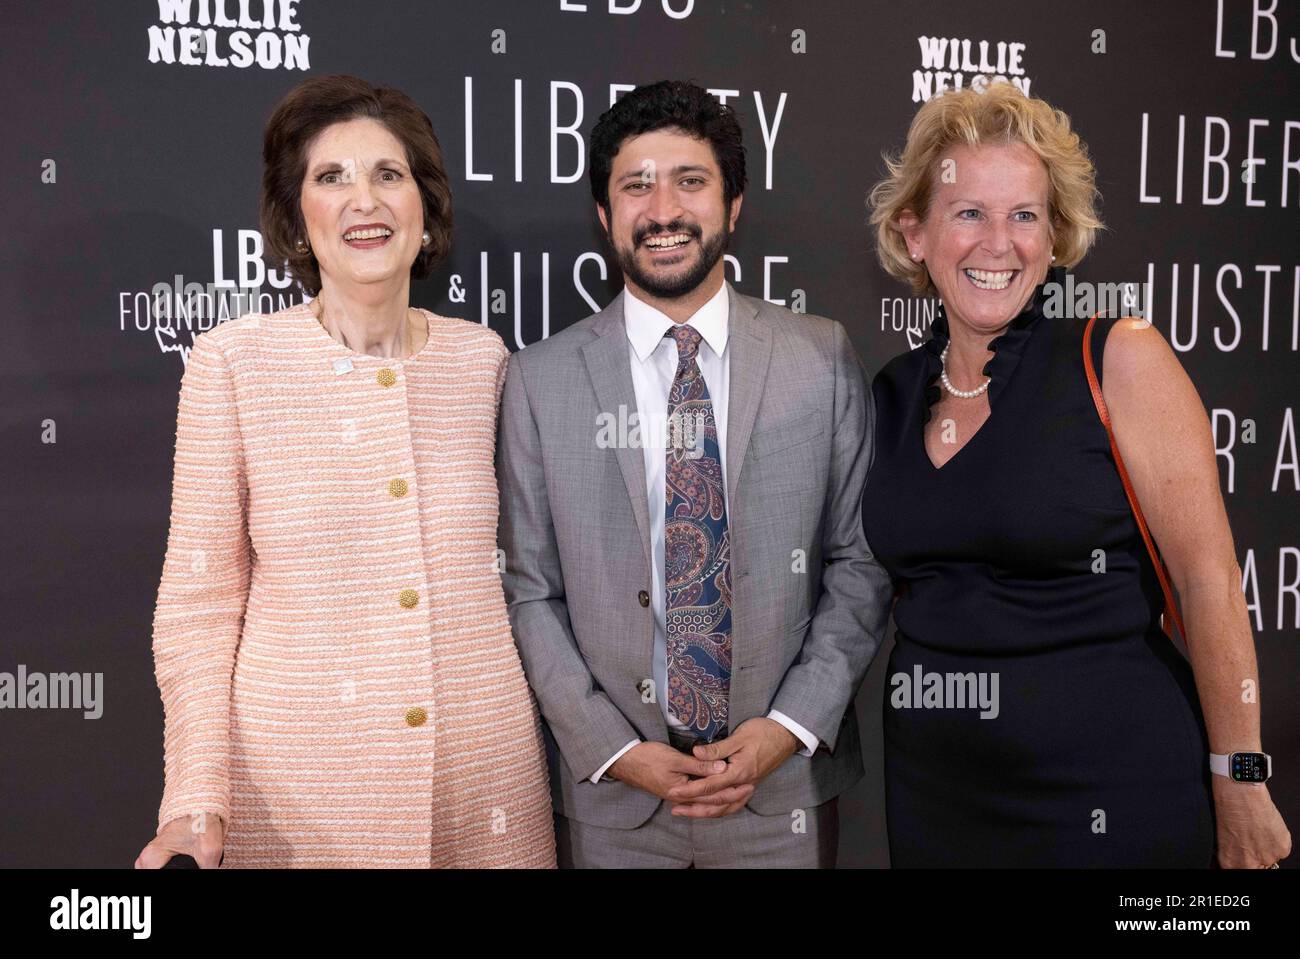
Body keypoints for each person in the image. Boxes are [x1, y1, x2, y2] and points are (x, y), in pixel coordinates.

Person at [863, 81, 1291, 867]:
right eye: (969, 213)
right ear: (914, 233)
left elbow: (1209, 580)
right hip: (937, 802)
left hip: (1114, 800)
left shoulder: (1120, 358)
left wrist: (1241, 777)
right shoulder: (889, 394)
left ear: (1055, 237)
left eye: (1025, 214)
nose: (1000, 242)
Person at [135, 75, 554, 869]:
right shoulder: (234, 364)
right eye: (332, 178)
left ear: (423, 208)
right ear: (298, 219)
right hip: (299, 804)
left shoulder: (485, 360)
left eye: (388, 175)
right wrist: (196, 797)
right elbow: (198, 606)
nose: (365, 200)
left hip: (485, 790)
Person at [497, 80, 893, 868]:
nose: (664, 208)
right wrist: (614, 748)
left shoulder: (820, 356)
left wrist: (786, 728)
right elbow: (528, 589)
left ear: (734, 203)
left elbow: (861, 562)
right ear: (605, 216)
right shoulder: (540, 380)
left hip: (783, 794)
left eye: (691, 180)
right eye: (636, 185)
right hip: (617, 802)